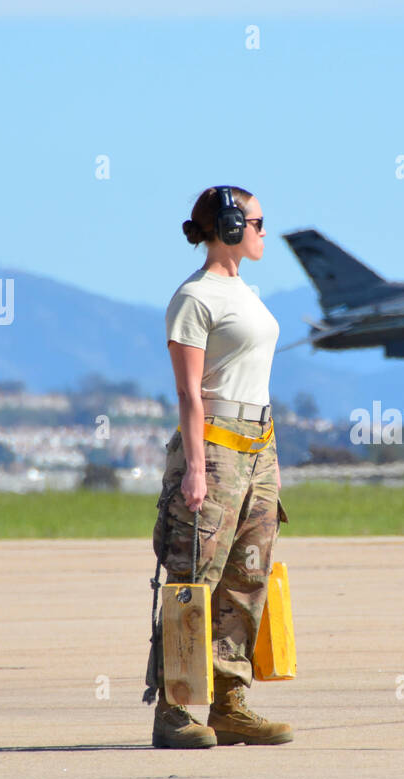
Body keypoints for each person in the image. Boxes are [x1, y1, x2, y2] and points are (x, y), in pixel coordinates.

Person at [142, 184, 293, 749]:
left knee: (247, 577)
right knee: (194, 579)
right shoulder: (195, 298)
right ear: (230, 227)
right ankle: (175, 711)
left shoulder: (246, 293)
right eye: (256, 221)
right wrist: (197, 469)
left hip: (260, 447)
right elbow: (188, 394)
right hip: (217, 448)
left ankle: (230, 704)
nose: (262, 231)